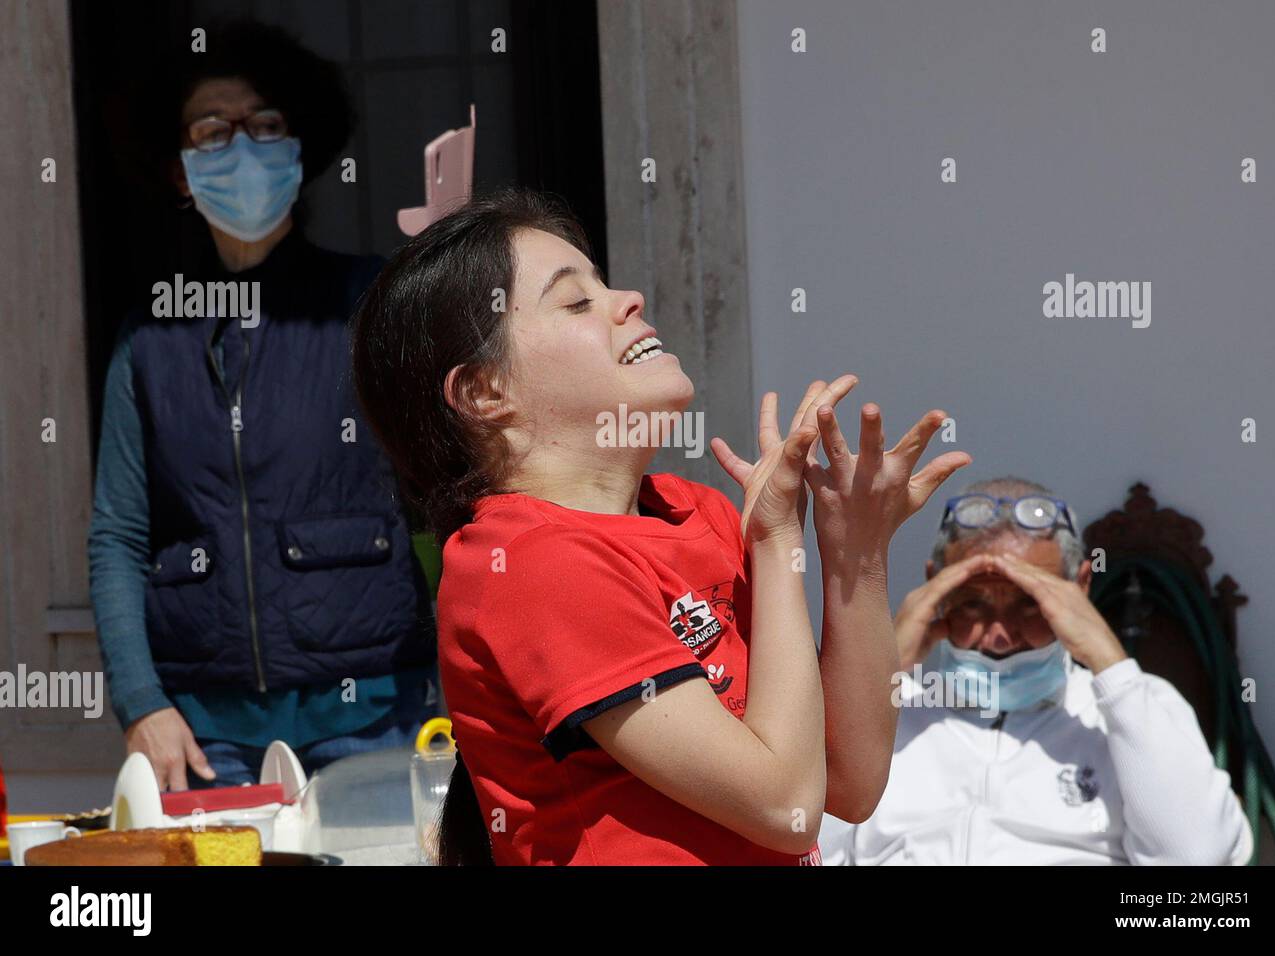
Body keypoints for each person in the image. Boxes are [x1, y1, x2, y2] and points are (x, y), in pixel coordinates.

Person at [350, 187, 970, 864]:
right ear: (484, 393)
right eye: (577, 301)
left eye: (604, 284)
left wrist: (857, 555)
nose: (629, 301)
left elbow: (847, 785)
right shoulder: (529, 560)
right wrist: (778, 542)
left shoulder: (690, 509)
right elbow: (786, 807)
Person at [88, 21, 438, 791]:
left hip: (374, 711)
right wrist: (143, 703)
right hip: (208, 734)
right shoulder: (149, 336)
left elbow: (452, 485)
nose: (241, 148)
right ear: (181, 172)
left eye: (265, 126)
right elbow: (118, 534)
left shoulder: (371, 302)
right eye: (213, 132)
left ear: (297, 149)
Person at [818, 477, 1253, 865]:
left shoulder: (1135, 709)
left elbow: (1197, 860)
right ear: (935, 589)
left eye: (1031, 603)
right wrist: (884, 669)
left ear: (1080, 588)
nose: (1001, 637)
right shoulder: (893, 714)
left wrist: (1110, 664)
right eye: (973, 603)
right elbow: (811, 850)